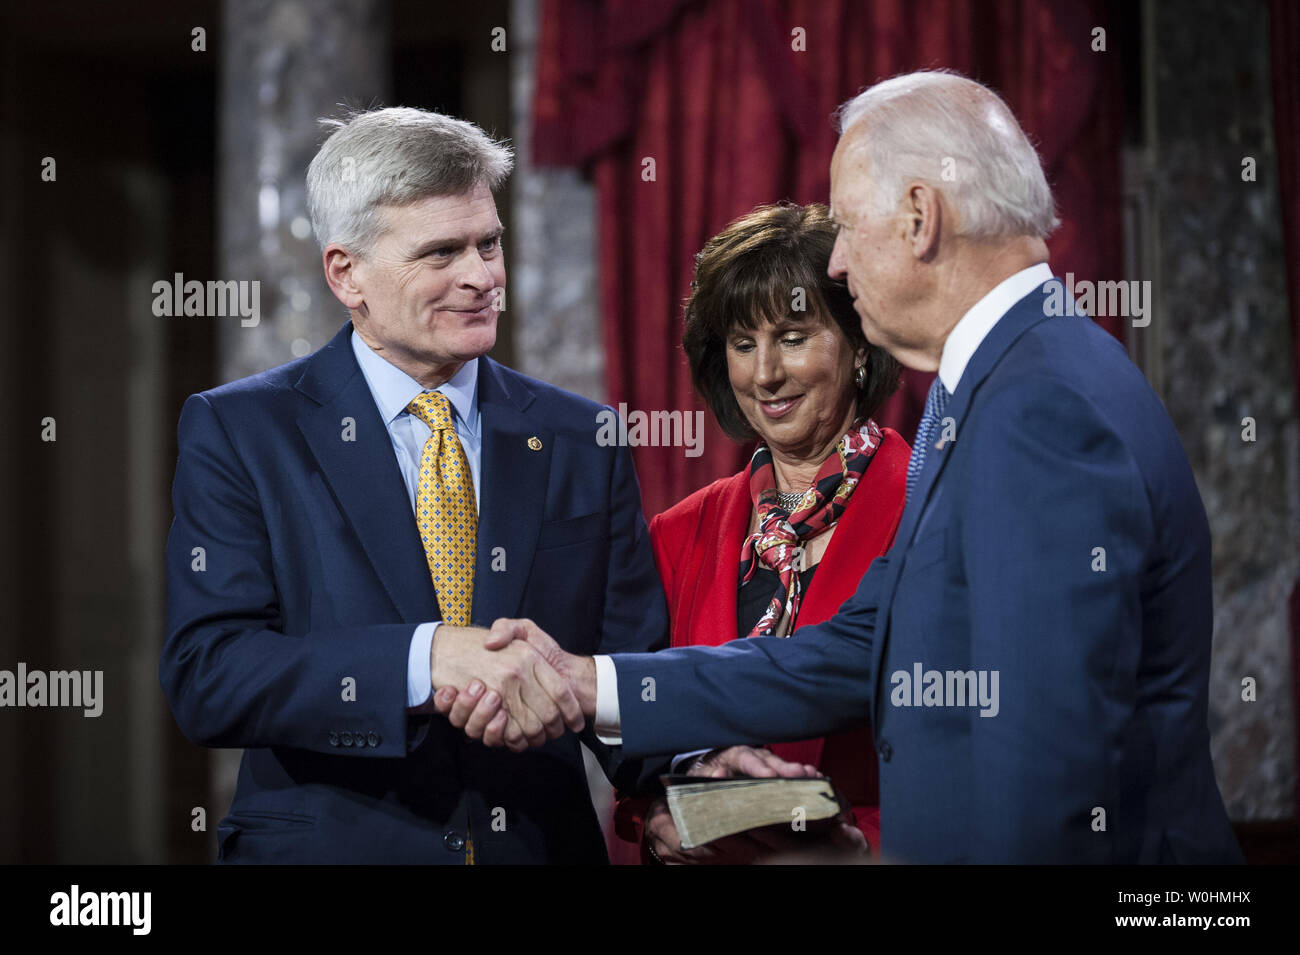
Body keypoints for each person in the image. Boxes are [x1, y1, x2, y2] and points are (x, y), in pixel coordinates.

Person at [436, 71, 1244, 865]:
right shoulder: (1015, 379)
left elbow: (1048, 759)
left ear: (922, 217)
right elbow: (859, 647)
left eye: (851, 228)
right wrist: (590, 684)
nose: (838, 264)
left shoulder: (1036, 406)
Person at [159, 106, 667, 864]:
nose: (481, 276)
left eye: (488, 243)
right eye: (441, 252)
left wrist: (687, 785)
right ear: (347, 273)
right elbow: (210, 673)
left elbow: (631, 671)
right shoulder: (242, 430)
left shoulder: (580, 436)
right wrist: (424, 661)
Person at [614, 202, 907, 864]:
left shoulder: (928, 507)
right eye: (744, 344)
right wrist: (655, 817)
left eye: (794, 336)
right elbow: (639, 747)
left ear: (860, 343)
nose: (765, 373)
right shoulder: (677, 533)